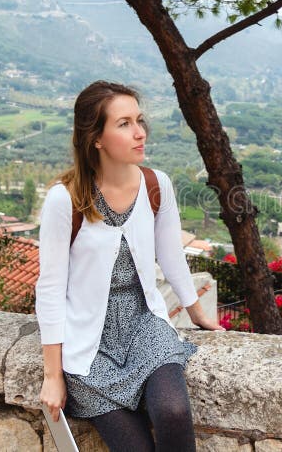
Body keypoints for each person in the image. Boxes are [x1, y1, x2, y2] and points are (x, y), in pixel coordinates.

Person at [36, 81, 224, 452]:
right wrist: (52, 375)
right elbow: (51, 288)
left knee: (171, 411)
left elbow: (171, 256)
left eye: (139, 120)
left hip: (144, 324)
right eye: (123, 124)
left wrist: (198, 313)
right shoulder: (65, 199)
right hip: (87, 343)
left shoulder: (156, 184)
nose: (140, 133)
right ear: (96, 138)